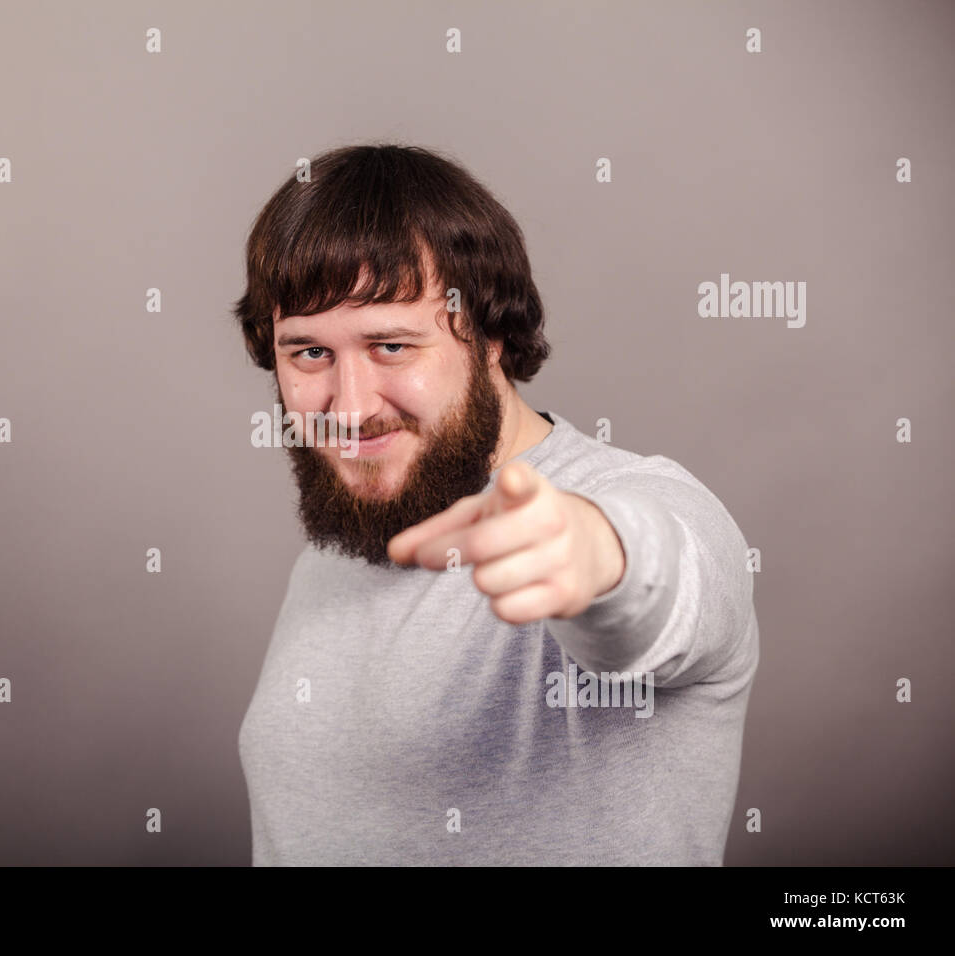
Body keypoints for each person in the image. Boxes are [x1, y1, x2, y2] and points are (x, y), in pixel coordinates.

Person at [233, 143, 759, 865]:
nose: (348, 410)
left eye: (390, 346)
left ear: (490, 336)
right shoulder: (344, 541)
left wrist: (591, 553)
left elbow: (665, 572)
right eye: (309, 354)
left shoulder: (628, 502)